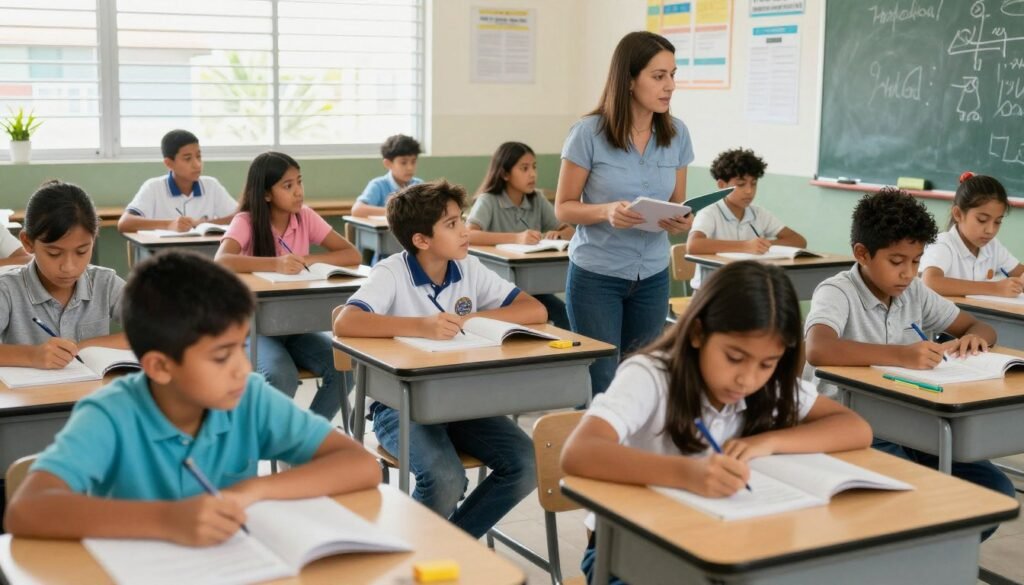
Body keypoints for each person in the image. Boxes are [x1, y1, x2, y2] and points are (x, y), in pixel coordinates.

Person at [4, 251, 379, 544]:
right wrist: (167, 520)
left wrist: (252, 490)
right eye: (221, 356)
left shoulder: (248, 399)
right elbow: (27, 511)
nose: (241, 368)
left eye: (241, 347)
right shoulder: (111, 414)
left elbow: (361, 465)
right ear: (161, 367)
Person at [562, 261, 872, 584]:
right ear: (698, 333)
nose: (747, 378)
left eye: (768, 363)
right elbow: (579, 451)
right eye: (734, 358)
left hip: (723, 543)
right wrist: (688, 474)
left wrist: (766, 442)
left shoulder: (769, 386)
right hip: (629, 551)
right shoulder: (651, 376)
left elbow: (855, 428)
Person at [334, 180, 544, 538]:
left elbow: (534, 310)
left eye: (461, 220)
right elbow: (345, 320)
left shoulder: (468, 267)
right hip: (398, 406)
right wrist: (421, 327)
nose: (465, 231)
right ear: (421, 240)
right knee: (445, 479)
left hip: (462, 401)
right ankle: (402, 554)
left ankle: (449, 546)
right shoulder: (392, 272)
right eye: (452, 224)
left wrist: (470, 321)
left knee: (527, 462)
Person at [803, 188, 1014, 538]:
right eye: (896, 261)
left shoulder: (914, 292)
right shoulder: (837, 291)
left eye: (916, 262)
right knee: (914, 498)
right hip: (852, 423)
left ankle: (938, 557)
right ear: (862, 254)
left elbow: (980, 326)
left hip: (912, 419)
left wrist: (974, 338)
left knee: (995, 493)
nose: (907, 273)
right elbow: (818, 348)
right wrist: (902, 355)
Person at [555, 31, 694, 396]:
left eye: (673, 75)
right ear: (630, 80)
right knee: (601, 383)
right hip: (597, 276)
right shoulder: (588, 133)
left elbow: (681, 205)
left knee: (641, 383)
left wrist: (682, 220)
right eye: (659, 76)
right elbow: (564, 206)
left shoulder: (678, 134)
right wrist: (606, 211)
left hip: (652, 275)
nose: (670, 86)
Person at [215, 152, 359, 421]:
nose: (298, 192)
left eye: (299, 182)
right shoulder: (245, 221)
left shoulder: (305, 217)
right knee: (281, 375)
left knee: (346, 368)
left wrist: (307, 259)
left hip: (295, 326)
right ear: (267, 194)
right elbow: (221, 261)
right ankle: (279, 439)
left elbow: (351, 254)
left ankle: (305, 439)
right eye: (287, 185)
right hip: (252, 328)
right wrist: (275, 264)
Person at [0, 181, 127, 369]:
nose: (68, 267)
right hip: (32, 397)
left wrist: (82, 347)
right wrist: (32, 356)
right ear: (28, 243)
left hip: (91, 393)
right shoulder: (7, 290)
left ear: (94, 238)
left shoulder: (105, 283)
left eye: (81, 251)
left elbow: (161, 330)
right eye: (54, 254)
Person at [467, 141, 573, 329]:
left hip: (532, 289)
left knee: (567, 317)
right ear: (505, 173)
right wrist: (516, 238)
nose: (532, 174)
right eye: (524, 168)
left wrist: (558, 234)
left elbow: (570, 231)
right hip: (496, 292)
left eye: (534, 167)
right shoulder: (489, 200)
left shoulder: (537, 199)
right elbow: (469, 235)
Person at [686, 147, 807, 289]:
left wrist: (764, 245)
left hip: (748, 291)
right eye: (741, 184)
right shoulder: (709, 212)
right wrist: (746, 246)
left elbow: (799, 241)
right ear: (721, 185)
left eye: (754, 183)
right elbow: (693, 245)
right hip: (712, 293)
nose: (749, 191)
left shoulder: (759, 214)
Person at [921, 172, 1024, 297]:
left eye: (998, 222)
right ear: (958, 214)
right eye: (982, 220)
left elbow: (1019, 271)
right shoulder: (943, 244)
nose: (990, 230)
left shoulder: (992, 246)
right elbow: (930, 283)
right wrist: (995, 288)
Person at [117, 129, 237, 233]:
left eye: (199, 156)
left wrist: (201, 224)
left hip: (203, 255)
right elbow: (125, 223)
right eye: (188, 158)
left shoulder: (211, 185)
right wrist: (169, 225)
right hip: (165, 256)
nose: (197, 164)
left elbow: (239, 217)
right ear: (169, 163)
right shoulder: (153, 187)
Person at [351, 134, 423, 217]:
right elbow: (357, 210)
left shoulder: (419, 185)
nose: (410, 168)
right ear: (388, 164)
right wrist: (398, 213)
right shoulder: (378, 185)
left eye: (413, 162)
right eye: (403, 163)